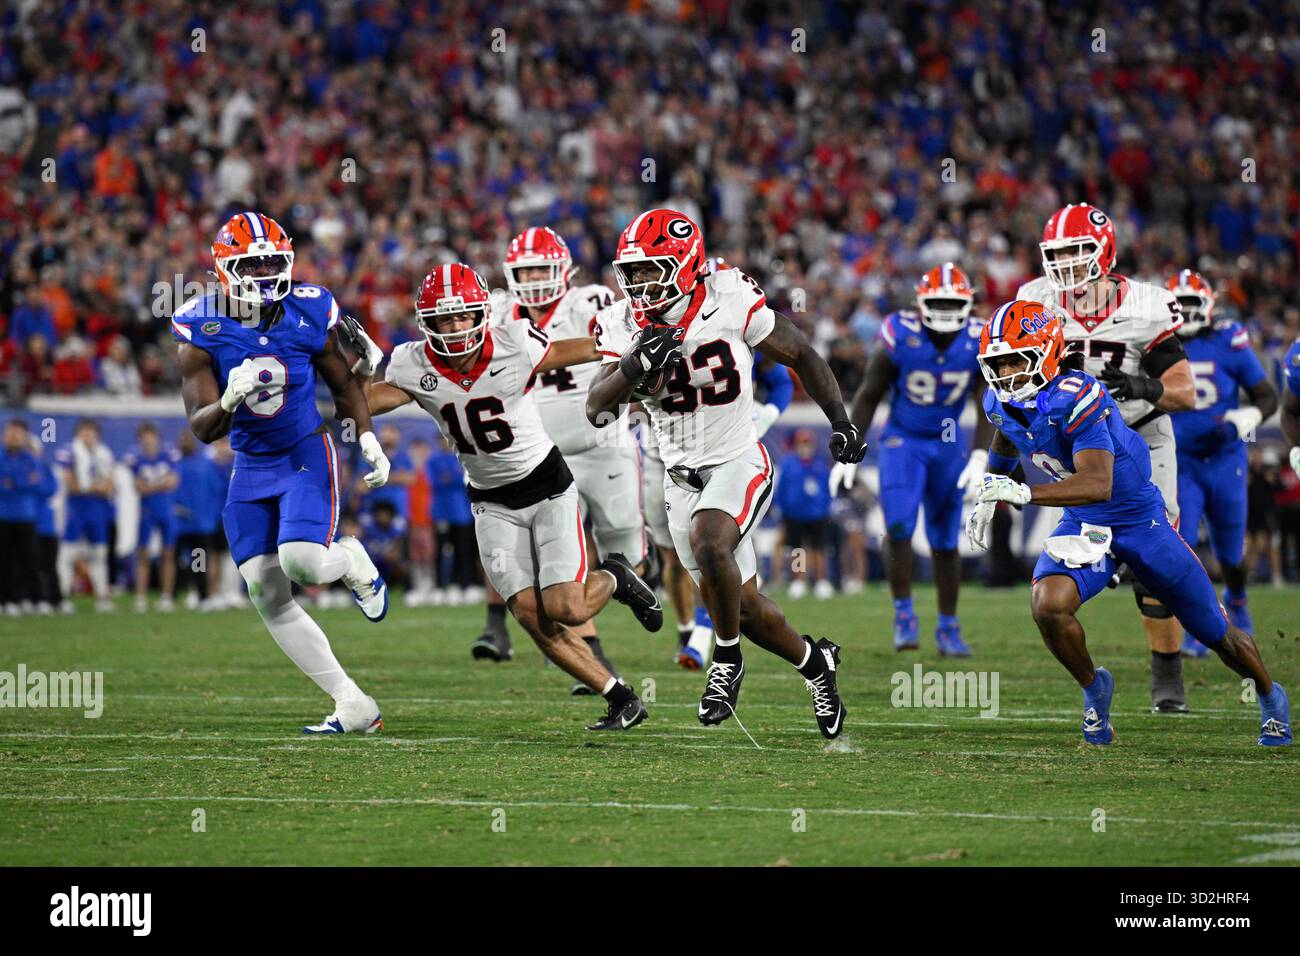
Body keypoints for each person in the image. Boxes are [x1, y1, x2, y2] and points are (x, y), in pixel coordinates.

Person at [586, 208, 866, 740]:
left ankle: (726, 660)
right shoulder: (622, 324)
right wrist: (632, 366)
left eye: (652, 270)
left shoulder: (728, 293)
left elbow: (801, 351)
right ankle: (816, 664)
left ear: (685, 264)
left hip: (739, 457)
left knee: (711, 543)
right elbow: (597, 409)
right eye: (634, 272)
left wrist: (841, 420)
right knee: (749, 607)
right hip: (678, 476)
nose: (641, 284)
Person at [967, 299, 1290, 746]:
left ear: (1047, 353)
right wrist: (991, 485)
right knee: (1047, 605)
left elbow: (1098, 482)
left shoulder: (1077, 394)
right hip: (1085, 520)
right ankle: (1094, 689)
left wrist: (1023, 491)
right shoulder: (999, 399)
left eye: (1014, 362)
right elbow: (1007, 430)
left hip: (1138, 519)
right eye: (995, 364)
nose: (1004, 375)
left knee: (1216, 633)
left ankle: (1272, 697)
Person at [363, 263, 660, 731]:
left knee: (567, 607)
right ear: (427, 323)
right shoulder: (410, 363)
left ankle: (618, 577)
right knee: (527, 611)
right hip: (489, 501)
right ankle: (620, 697)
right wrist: (336, 375)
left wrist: (631, 351)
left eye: (463, 316)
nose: (456, 327)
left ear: (482, 313)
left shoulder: (515, 342)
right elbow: (361, 402)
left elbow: (575, 350)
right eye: (444, 319)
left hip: (547, 487)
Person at [174, 211, 391, 734]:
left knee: (305, 564)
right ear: (227, 268)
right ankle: (352, 702)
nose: (269, 271)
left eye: (275, 260)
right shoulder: (200, 326)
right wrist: (227, 399)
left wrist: (366, 438)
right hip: (249, 466)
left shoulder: (310, 310)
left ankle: (353, 558)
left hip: (303, 453)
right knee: (266, 593)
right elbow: (203, 428)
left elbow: (344, 387)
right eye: (256, 262)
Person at [1016, 204, 1198, 713]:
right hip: (1079, 444)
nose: (1067, 266)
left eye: (1077, 253)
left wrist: (1141, 384)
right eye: (1057, 255)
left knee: (1157, 562)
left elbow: (1186, 392)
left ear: (1105, 250)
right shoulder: (1035, 300)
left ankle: (1167, 672)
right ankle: (1104, 576)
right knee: (1081, 552)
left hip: (1142, 436)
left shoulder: (1147, 305)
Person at [474, 226, 634, 690]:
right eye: (525, 270)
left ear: (566, 271)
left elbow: (622, 346)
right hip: (524, 445)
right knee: (508, 543)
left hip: (591, 443)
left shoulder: (591, 304)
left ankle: (592, 641)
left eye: (543, 269)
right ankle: (502, 626)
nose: (535, 279)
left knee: (576, 551)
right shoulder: (499, 309)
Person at [840, 263, 990, 655]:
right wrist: (849, 450)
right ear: (921, 303)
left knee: (944, 539)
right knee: (901, 526)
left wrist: (978, 455)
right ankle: (904, 613)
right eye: (937, 301)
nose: (943, 309)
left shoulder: (978, 338)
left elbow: (989, 402)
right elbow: (870, 393)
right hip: (902, 442)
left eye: (950, 301)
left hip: (947, 444)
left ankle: (948, 626)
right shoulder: (900, 333)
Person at [1166, 271, 1277, 655]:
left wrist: (1247, 419)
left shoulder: (1229, 341)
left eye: (1192, 303)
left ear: (1210, 304)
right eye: (1179, 305)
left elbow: (1267, 396)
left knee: (1231, 551)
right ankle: (1202, 621)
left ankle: (1239, 599)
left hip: (1226, 459)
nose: (1186, 312)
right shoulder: (1160, 344)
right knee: (1182, 546)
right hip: (1181, 460)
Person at [56, 419, 116, 612]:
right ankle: (62, 597)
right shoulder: (69, 452)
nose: (87, 437)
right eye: (84, 433)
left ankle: (102, 599)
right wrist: (94, 487)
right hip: (77, 509)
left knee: (99, 554)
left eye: (91, 433)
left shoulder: (104, 453)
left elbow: (109, 487)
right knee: (68, 553)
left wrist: (88, 487)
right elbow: (72, 486)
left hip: (98, 509)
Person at [124, 423, 181, 612]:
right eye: (144, 437)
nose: (147, 441)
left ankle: (166, 596)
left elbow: (173, 482)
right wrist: (159, 485)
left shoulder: (168, 453)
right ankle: (141, 597)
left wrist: (152, 487)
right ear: (140, 440)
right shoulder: (135, 457)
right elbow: (138, 486)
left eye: (150, 436)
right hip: (147, 511)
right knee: (143, 554)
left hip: (166, 510)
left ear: (156, 437)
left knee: (168, 553)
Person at [775, 428, 834, 599]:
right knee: (797, 550)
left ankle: (822, 581)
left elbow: (827, 488)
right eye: (802, 442)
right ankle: (798, 581)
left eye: (808, 442)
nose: (805, 446)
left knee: (819, 548)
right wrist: (783, 508)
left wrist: (825, 507)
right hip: (794, 514)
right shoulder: (789, 463)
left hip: (817, 514)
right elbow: (781, 488)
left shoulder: (820, 463)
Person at [173, 429, 226, 610]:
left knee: (199, 561)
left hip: (200, 525)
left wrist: (211, 515)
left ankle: (202, 595)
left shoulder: (206, 465)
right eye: (182, 439)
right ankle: (181, 594)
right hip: (181, 524)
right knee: (181, 561)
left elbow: (218, 490)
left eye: (187, 439)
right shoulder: (177, 464)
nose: (185, 443)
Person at [0, 419, 42, 615]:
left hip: (26, 516)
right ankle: (6, 600)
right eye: (10, 433)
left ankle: (32, 599)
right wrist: (21, 482)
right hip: (3, 515)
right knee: (5, 560)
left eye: (18, 433)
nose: (14, 437)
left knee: (30, 559)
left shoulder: (31, 459)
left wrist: (13, 483)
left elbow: (36, 484)